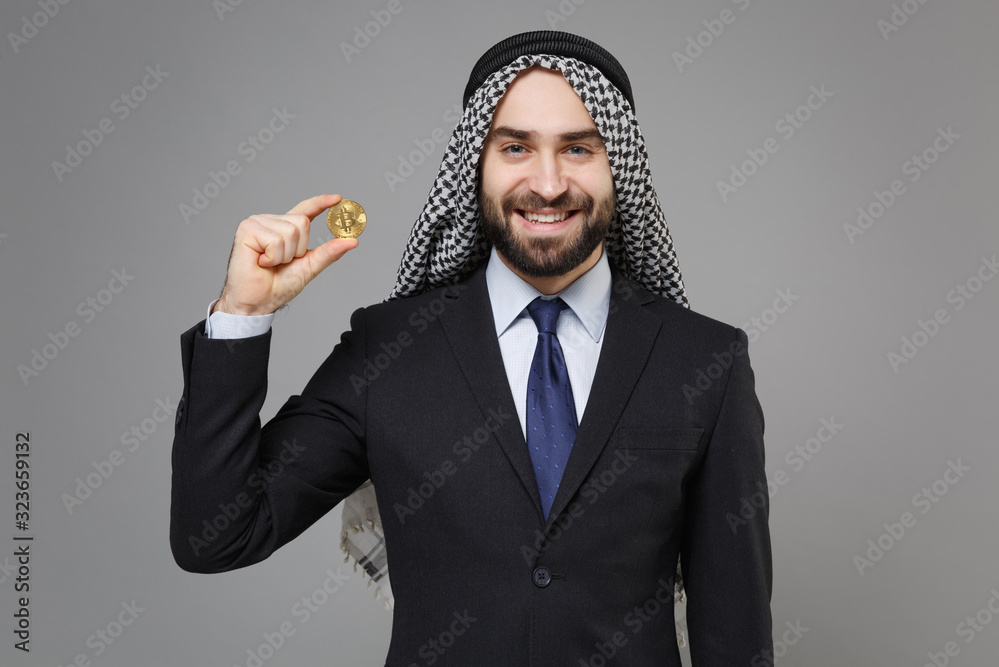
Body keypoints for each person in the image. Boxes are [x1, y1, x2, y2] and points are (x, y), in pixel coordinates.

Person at [170, 30, 773, 666]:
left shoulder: (706, 361)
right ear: (475, 168)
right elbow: (217, 537)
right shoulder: (389, 349)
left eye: (577, 149)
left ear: (618, 168)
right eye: (515, 147)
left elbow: (734, 632)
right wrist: (243, 315)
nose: (547, 183)